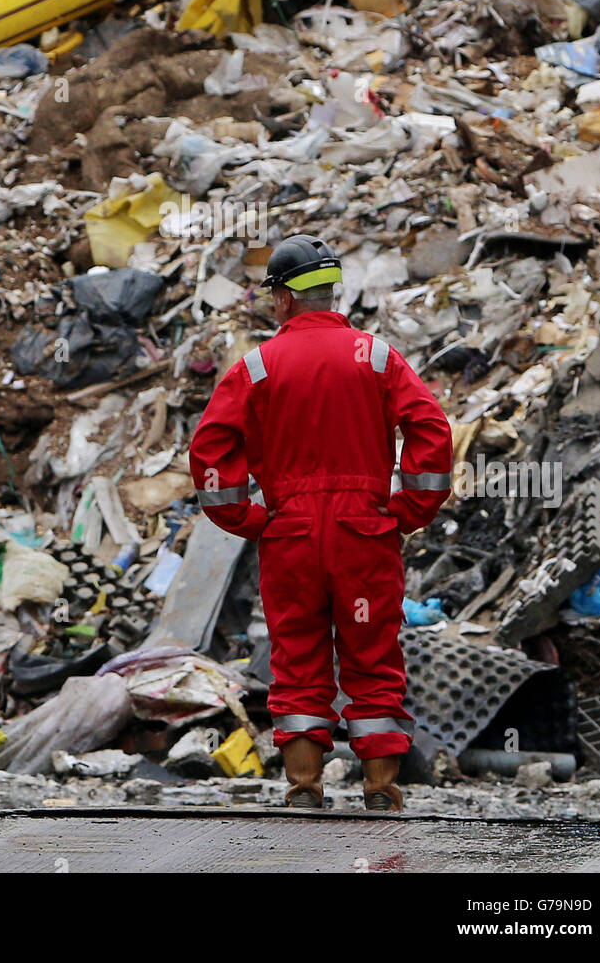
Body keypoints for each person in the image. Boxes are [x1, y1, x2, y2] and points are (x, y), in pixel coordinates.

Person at [189, 234, 453, 810]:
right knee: (373, 655)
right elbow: (430, 429)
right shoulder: (376, 356)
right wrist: (409, 509)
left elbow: (210, 446)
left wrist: (246, 516)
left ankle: (305, 788)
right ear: (331, 294)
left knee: (298, 655)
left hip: (291, 535)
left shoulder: (257, 367)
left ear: (284, 300)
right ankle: (381, 789)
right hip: (365, 532)